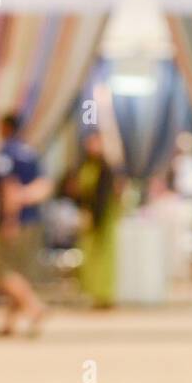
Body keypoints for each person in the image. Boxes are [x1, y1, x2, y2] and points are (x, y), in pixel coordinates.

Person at [0, 113, 52, 336]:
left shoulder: (5, 154)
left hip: (16, 220)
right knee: (20, 272)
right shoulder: (31, 152)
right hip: (34, 219)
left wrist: (10, 218)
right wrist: (28, 197)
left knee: (4, 273)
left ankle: (35, 307)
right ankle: (9, 323)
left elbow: (9, 187)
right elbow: (45, 185)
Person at [64, 130, 121, 308]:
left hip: (102, 217)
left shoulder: (105, 168)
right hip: (88, 216)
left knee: (104, 257)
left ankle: (105, 294)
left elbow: (103, 196)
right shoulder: (85, 166)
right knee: (89, 257)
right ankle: (94, 293)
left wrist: (95, 217)